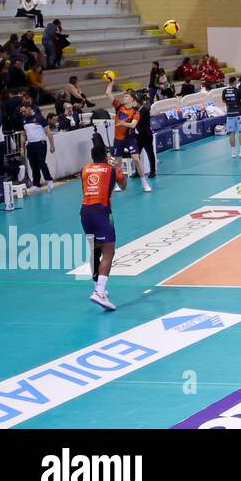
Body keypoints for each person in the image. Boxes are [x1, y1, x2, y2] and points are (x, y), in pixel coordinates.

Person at [80, 142, 126, 311]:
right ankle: (99, 293)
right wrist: (118, 168)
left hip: (85, 213)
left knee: (95, 250)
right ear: (105, 156)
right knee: (109, 252)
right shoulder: (111, 169)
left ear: (92, 157)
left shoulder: (84, 169)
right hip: (102, 214)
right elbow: (123, 185)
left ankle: (98, 287)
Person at [105, 80, 151, 193]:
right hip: (118, 140)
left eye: (126, 96)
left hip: (130, 139)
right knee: (117, 163)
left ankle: (144, 182)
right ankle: (118, 183)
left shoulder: (136, 112)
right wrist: (111, 83)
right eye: (124, 96)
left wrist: (122, 123)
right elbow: (108, 94)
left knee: (136, 159)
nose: (124, 98)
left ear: (132, 99)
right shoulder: (118, 107)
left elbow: (133, 125)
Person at [21, 102, 53, 191]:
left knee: (41, 163)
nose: (23, 113)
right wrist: (21, 147)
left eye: (24, 111)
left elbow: (48, 132)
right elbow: (23, 135)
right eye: (22, 112)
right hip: (30, 145)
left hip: (40, 143)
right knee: (33, 165)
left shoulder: (39, 118)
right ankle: (36, 184)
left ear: (29, 108)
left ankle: (49, 180)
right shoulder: (24, 120)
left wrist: (52, 145)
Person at [220, 75, 241, 158]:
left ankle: (233, 153)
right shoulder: (238, 91)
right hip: (239, 114)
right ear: (234, 82)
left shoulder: (224, 91)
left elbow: (223, 101)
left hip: (229, 115)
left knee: (232, 133)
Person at [134, 91, 156, 177]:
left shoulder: (144, 110)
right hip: (138, 137)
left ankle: (153, 171)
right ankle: (137, 172)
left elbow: (137, 122)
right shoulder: (135, 111)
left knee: (150, 154)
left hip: (146, 136)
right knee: (136, 155)